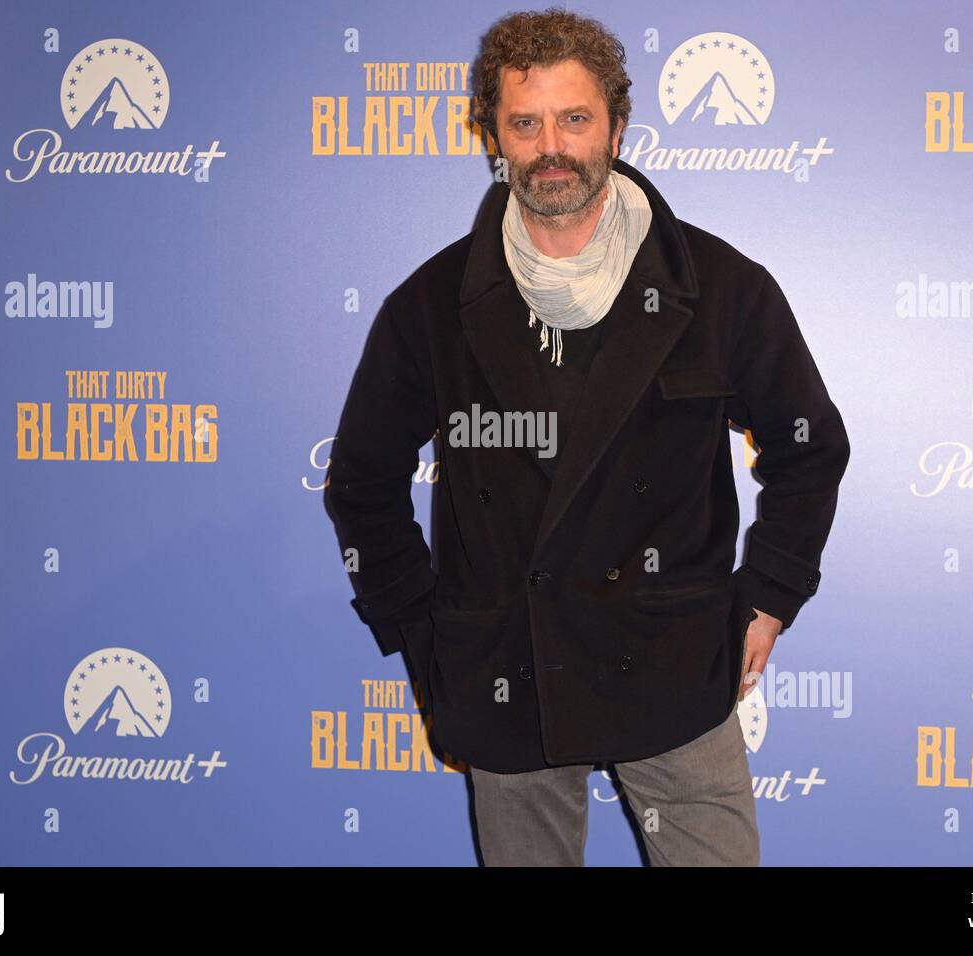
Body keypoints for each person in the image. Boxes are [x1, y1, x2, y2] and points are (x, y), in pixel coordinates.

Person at [323, 7, 850, 866]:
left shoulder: (717, 287)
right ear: (491, 134)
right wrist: (425, 630)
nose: (550, 147)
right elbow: (362, 482)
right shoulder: (431, 306)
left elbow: (809, 447)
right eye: (524, 123)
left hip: (674, 663)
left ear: (616, 124)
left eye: (574, 119)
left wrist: (772, 591)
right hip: (507, 668)